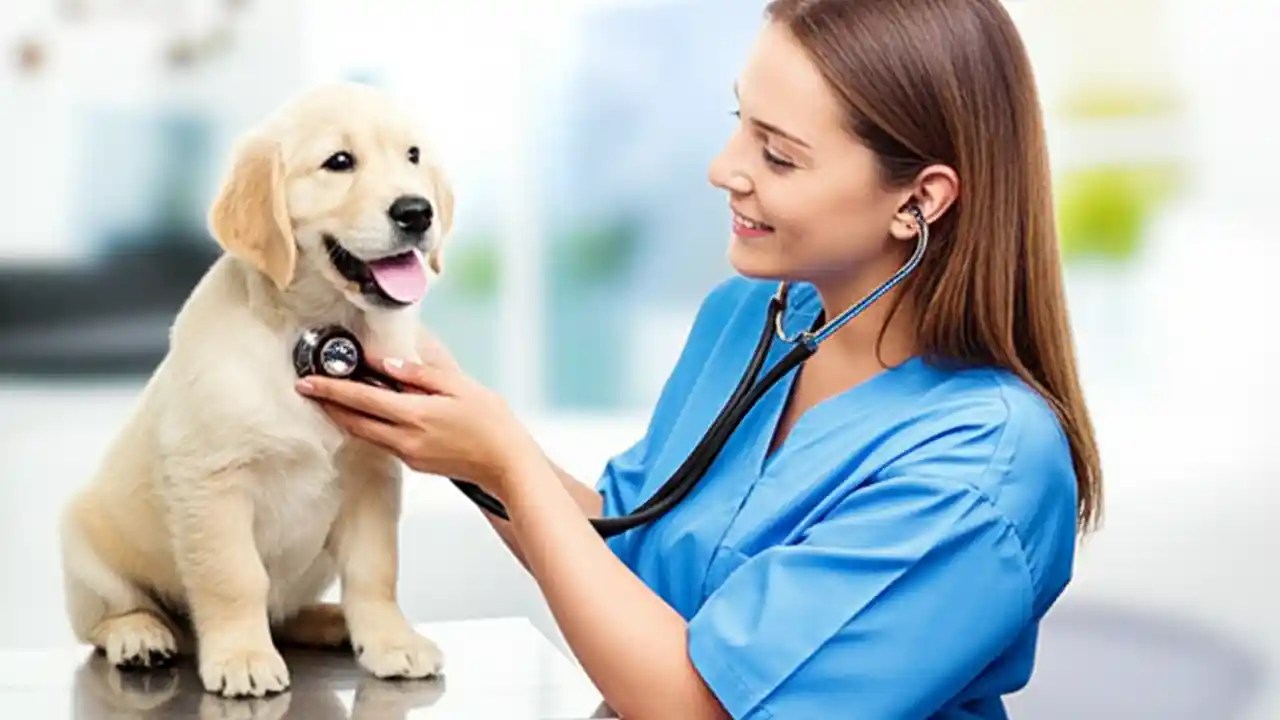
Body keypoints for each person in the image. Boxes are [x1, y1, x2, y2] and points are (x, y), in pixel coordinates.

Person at [294, 0, 1103, 717]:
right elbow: (622, 552)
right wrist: (450, 427)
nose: (724, 169)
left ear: (919, 200)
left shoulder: (985, 470)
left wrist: (503, 460)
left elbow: (699, 707)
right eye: (739, 121)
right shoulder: (751, 317)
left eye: (778, 155)